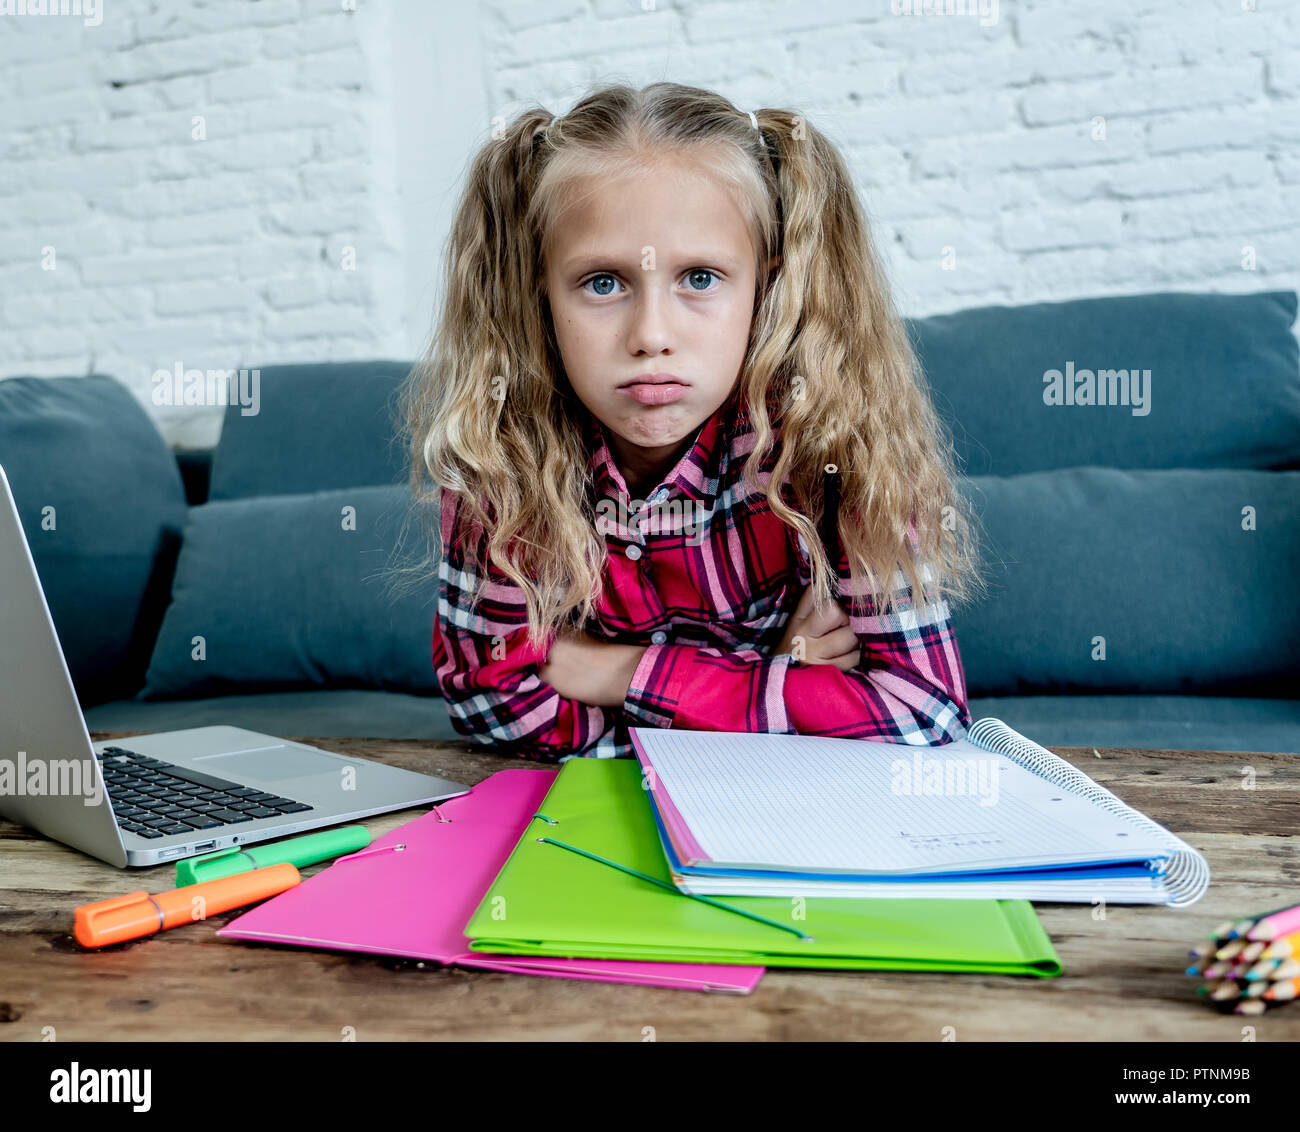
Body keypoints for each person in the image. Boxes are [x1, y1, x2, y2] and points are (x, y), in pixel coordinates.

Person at [400, 81, 986, 759]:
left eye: (700, 279)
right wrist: (785, 685)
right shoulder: (501, 456)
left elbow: (926, 712)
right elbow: (494, 703)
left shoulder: (834, 447)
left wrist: (611, 672)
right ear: (542, 296)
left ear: (765, 289)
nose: (652, 335)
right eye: (603, 283)